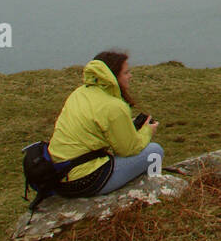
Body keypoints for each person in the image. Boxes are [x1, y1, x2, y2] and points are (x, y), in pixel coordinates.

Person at [48, 50, 164, 196]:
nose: (130, 76)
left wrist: (128, 125)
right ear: (113, 77)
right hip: (85, 180)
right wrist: (148, 131)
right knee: (155, 151)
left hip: (60, 177)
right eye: (126, 73)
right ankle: (155, 191)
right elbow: (128, 150)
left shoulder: (79, 93)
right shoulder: (114, 106)